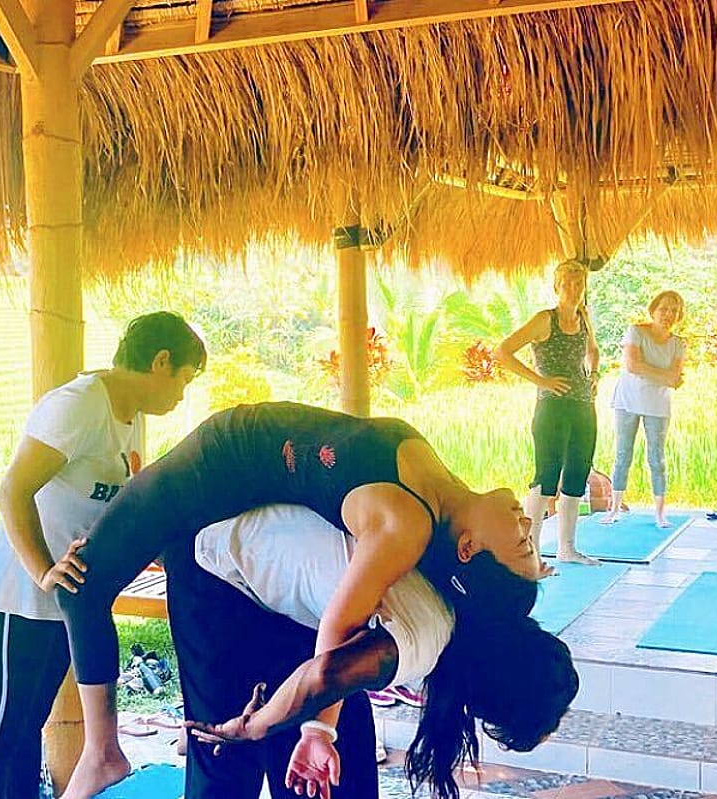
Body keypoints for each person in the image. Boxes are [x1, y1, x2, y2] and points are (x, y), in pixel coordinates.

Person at [49, 401, 543, 799]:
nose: (526, 523)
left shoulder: (405, 529)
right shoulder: (430, 513)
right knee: (113, 556)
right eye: (531, 538)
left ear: (470, 548)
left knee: (81, 586)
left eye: (522, 542)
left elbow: (337, 631)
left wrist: (317, 730)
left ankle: (101, 751)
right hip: (232, 503)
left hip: (216, 467)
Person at [0, 312, 205, 799]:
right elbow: (12, 490)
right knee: (2, 733)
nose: (181, 396)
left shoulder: (127, 416)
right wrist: (43, 570)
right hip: (18, 595)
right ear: (160, 362)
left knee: (28, 727)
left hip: (63, 599)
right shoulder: (79, 405)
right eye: (183, 380)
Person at [180, 503, 578, 799]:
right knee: (226, 762)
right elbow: (324, 675)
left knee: (328, 769)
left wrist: (317, 729)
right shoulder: (426, 635)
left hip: (306, 605)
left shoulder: (473, 596)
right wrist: (254, 726)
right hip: (217, 567)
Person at [495, 260, 601, 568]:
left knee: (577, 474)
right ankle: (532, 553)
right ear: (556, 287)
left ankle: (567, 548)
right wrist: (541, 381)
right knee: (546, 476)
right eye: (567, 284)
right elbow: (503, 351)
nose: (573, 289)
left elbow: (593, 350)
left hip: (583, 405)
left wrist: (594, 374)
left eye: (578, 284)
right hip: (552, 407)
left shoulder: (583, 316)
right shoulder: (545, 320)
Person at [601, 290, 687, 528]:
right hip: (627, 401)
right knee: (622, 455)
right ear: (653, 310)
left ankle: (660, 514)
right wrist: (665, 376)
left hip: (657, 405)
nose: (668, 314)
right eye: (663, 309)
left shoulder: (678, 344)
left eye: (674, 310)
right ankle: (614, 509)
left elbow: (675, 377)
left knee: (656, 459)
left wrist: (659, 374)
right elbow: (632, 365)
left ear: (679, 315)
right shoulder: (636, 331)